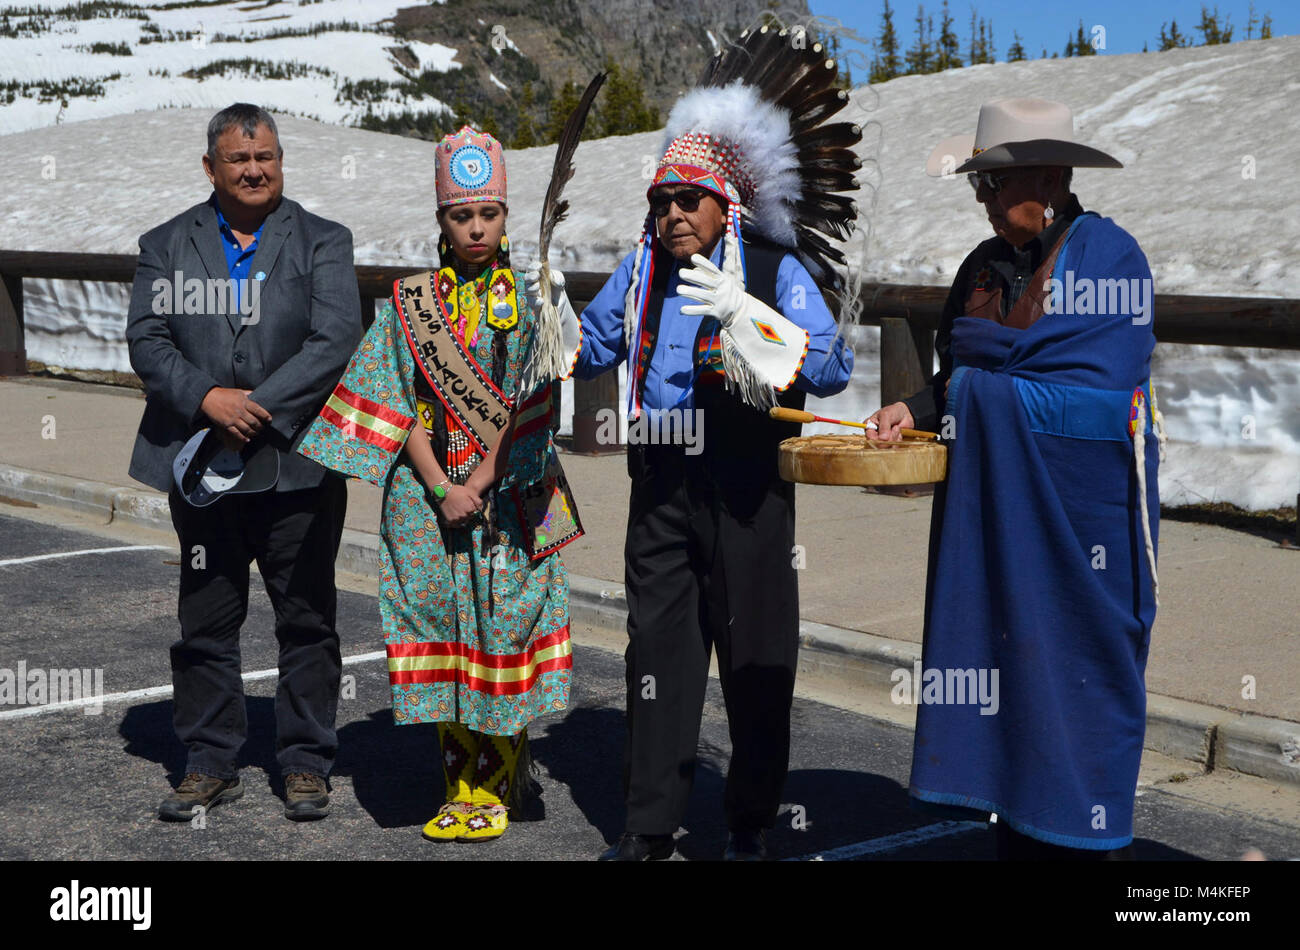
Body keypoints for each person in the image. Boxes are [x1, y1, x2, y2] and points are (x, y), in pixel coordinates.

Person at [538, 35, 860, 859]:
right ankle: (648, 826)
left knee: (755, 658)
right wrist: (548, 312)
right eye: (662, 199)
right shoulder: (642, 270)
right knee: (658, 654)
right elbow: (587, 349)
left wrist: (747, 322)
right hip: (663, 482)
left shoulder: (770, 265)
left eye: (689, 199)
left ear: (724, 205)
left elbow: (829, 366)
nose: (673, 212)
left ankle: (750, 822)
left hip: (749, 487)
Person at [866, 98, 1163, 859]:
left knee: (1077, 686)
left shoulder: (1111, 260)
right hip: (999, 510)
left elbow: (1099, 394)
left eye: (997, 183)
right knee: (1001, 670)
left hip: (1081, 521)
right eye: (980, 186)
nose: (986, 199)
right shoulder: (979, 271)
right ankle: (1010, 818)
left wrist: (979, 391)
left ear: (1054, 176)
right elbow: (962, 372)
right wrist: (915, 405)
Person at [296, 126, 578, 843]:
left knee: (503, 629)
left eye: (488, 214)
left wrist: (480, 481)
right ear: (442, 223)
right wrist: (437, 484)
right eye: (461, 216)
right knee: (447, 632)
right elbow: (391, 397)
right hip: (428, 499)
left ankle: (500, 774)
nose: (476, 228)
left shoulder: (529, 298)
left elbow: (533, 402)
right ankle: (461, 782)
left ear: (507, 217)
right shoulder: (408, 305)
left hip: (514, 493)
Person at [126, 103, 362, 821]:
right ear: (211, 167)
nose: (255, 170)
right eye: (238, 159)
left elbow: (335, 339)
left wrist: (252, 407)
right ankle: (208, 761)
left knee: (308, 619)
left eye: (266, 157)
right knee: (205, 620)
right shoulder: (165, 244)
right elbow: (147, 338)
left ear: (280, 161)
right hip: (202, 468)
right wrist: (208, 400)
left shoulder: (324, 240)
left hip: (297, 468)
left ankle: (305, 763)